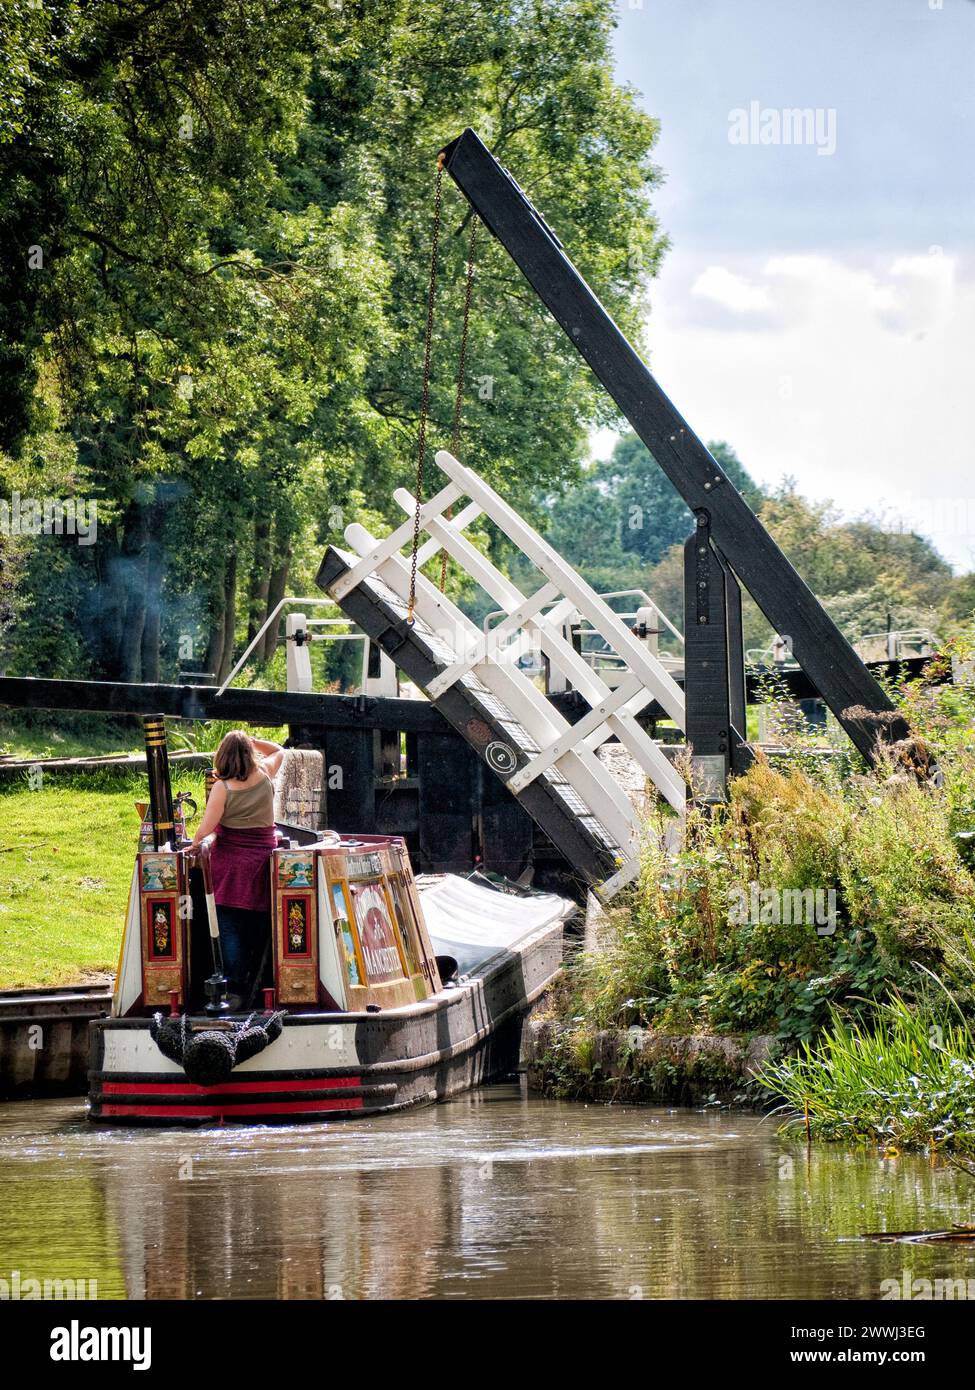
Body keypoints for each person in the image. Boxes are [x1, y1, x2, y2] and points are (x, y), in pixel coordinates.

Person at [192, 730, 285, 1008]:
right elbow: (280, 750)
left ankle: (233, 988)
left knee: (230, 927)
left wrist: (196, 843)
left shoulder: (224, 788)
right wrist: (254, 742)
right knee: (256, 926)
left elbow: (206, 828)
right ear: (249, 754)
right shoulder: (266, 774)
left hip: (230, 868)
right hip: (262, 863)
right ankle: (258, 988)